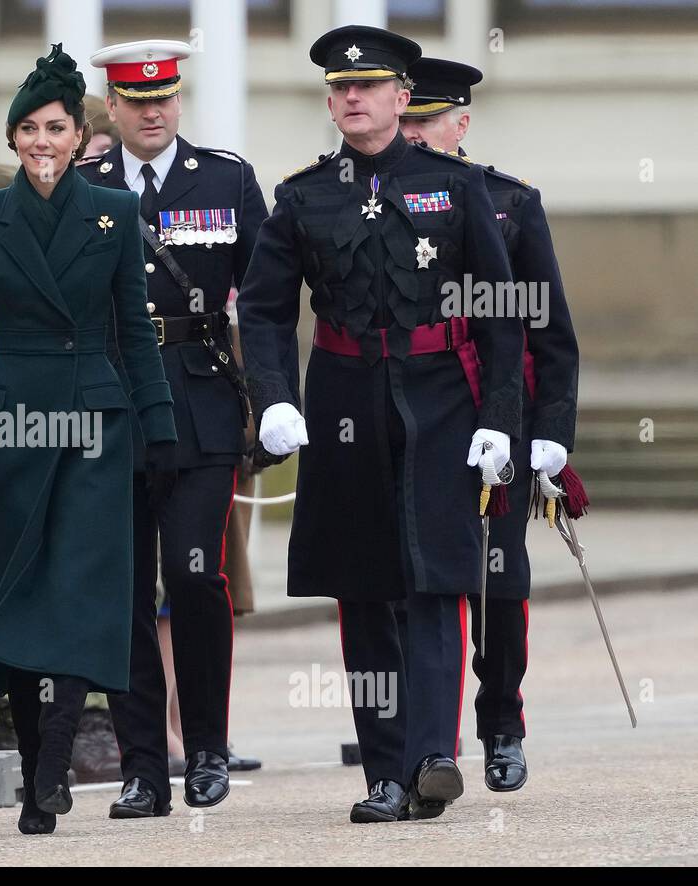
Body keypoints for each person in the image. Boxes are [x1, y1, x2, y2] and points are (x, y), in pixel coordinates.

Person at [236, 26, 523, 823]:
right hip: (343, 394)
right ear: (331, 101)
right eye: (340, 88)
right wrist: (277, 397)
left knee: (436, 577)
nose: (353, 98)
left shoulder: (453, 185)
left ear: (404, 97)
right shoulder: (301, 194)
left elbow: (500, 312)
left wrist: (501, 417)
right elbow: (262, 311)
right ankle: (385, 774)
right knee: (363, 586)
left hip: (440, 398)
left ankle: (433, 754)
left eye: (369, 87)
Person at [0, 43, 176, 835]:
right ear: (13, 138)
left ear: (80, 139)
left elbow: (135, 332)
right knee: (13, 596)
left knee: (75, 594)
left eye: (57, 128)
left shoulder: (116, 215)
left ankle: (52, 766)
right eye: (29, 127)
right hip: (12, 420)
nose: (42, 140)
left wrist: (160, 427)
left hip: (94, 423)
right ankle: (37, 769)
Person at [79, 39, 269, 816]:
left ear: (177, 101)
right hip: (114, 406)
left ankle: (208, 750)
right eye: (136, 100)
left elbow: (263, 297)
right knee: (122, 592)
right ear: (114, 108)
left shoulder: (224, 179)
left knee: (196, 577)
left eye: (164, 98)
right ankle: (142, 767)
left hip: (198, 404)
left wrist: (275, 397)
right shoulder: (80, 187)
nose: (152, 112)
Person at [399, 57, 580, 793]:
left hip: (498, 418)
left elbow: (551, 333)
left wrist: (551, 428)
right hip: (416, 416)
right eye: (405, 118)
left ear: (460, 124)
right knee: (421, 584)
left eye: (424, 120)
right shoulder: (372, 199)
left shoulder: (510, 203)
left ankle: (502, 720)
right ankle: (425, 745)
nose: (411, 133)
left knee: (499, 583)